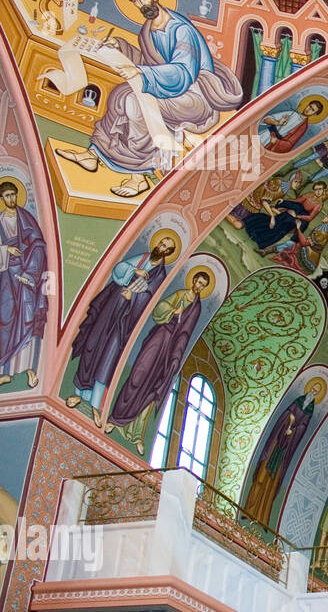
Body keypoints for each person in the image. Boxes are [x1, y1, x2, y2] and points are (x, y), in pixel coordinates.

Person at [53, 0, 244, 199]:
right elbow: (148, 61)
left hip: (195, 97)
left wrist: (144, 74)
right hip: (168, 87)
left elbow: (183, 72)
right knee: (119, 94)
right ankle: (93, 154)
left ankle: (138, 175)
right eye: (135, 1)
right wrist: (122, 47)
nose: (141, 4)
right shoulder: (149, 30)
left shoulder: (181, 30)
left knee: (137, 103)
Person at [67, 233, 177, 426]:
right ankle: (79, 393)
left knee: (109, 354)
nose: (161, 248)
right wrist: (134, 270)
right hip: (111, 305)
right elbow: (119, 270)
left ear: (168, 253)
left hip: (125, 319)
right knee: (93, 343)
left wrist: (132, 298)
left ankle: (96, 403)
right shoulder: (143, 258)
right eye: (161, 243)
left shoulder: (160, 274)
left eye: (166, 247)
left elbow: (149, 298)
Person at [105, 268, 210, 455]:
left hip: (171, 349)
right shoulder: (180, 294)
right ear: (193, 280)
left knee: (153, 387)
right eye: (198, 282)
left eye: (203, 285)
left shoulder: (197, 308)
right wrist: (173, 310)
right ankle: (115, 418)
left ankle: (137, 435)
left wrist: (177, 356)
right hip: (159, 338)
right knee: (138, 374)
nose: (199, 286)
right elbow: (158, 310)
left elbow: (186, 333)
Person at [246, 378, 326, 523]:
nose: (313, 393)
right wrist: (287, 421)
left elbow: (302, 428)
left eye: (316, 392)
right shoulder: (298, 401)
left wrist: (293, 430)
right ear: (308, 389)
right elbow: (285, 415)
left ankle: (262, 518)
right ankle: (248, 510)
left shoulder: (309, 411)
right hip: (276, 443)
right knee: (261, 477)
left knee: (272, 484)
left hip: (285, 452)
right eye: (312, 389)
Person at [0, 179, 46, 389]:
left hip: (26, 275)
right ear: (2, 199)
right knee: (6, 319)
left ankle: (29, 369)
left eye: (13, 195)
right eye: (6, 196)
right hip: (6, 276)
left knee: (28, 319)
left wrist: (29, 273)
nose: (11, 199)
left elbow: (38, 244)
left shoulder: (26, 218)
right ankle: (5, 371)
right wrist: (6, 251)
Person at [259, 97, 326, 154]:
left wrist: (276, 141)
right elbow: (265, 119)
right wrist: (277, 122)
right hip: (264, 135)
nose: (308, 109)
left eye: (312, 110)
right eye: (310, 106)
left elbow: (289, 144)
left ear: (314, 114)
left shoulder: (303, 127)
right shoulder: (292, 114)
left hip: (272, 143)